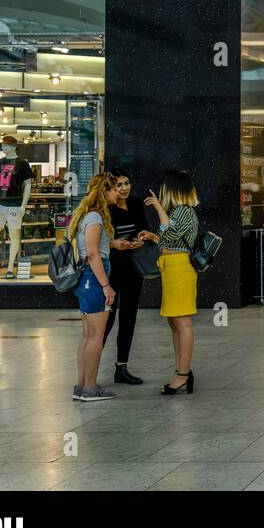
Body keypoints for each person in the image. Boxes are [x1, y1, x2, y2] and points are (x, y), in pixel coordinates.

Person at [146, 170, 201, 395]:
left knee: (181, 322)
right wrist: (152, 237)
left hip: (180, 268)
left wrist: (159, 209)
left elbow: (169, 236)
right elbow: (168, 238)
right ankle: (181, 370)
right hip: (172, 267)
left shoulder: (184, 211)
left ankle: (183, 374)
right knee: (175, 322)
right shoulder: (178, 212)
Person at [103, 172, 156, 385]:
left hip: (134, 267)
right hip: (112, 269)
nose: (124, 188)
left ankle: (121, 368)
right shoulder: (105, 208)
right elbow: (97, 240)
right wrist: (115, 244)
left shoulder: (135, 203)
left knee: (128, 317)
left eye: (126, 183)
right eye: (118, 185)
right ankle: (91, 367)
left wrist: (141, 239)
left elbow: (144, 229)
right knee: (106, 319)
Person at [69, 173, 117, 402]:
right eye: (114, 189)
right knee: (96, 336)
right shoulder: (95, 217)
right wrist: (105, 285)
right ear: (104, 191)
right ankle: (90, 387)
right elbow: (92, 253)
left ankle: (81, 385)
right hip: (93, 278)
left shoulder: (85, 215)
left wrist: (113, 244)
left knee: (88, 335)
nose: (118, 192)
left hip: (85, 279)